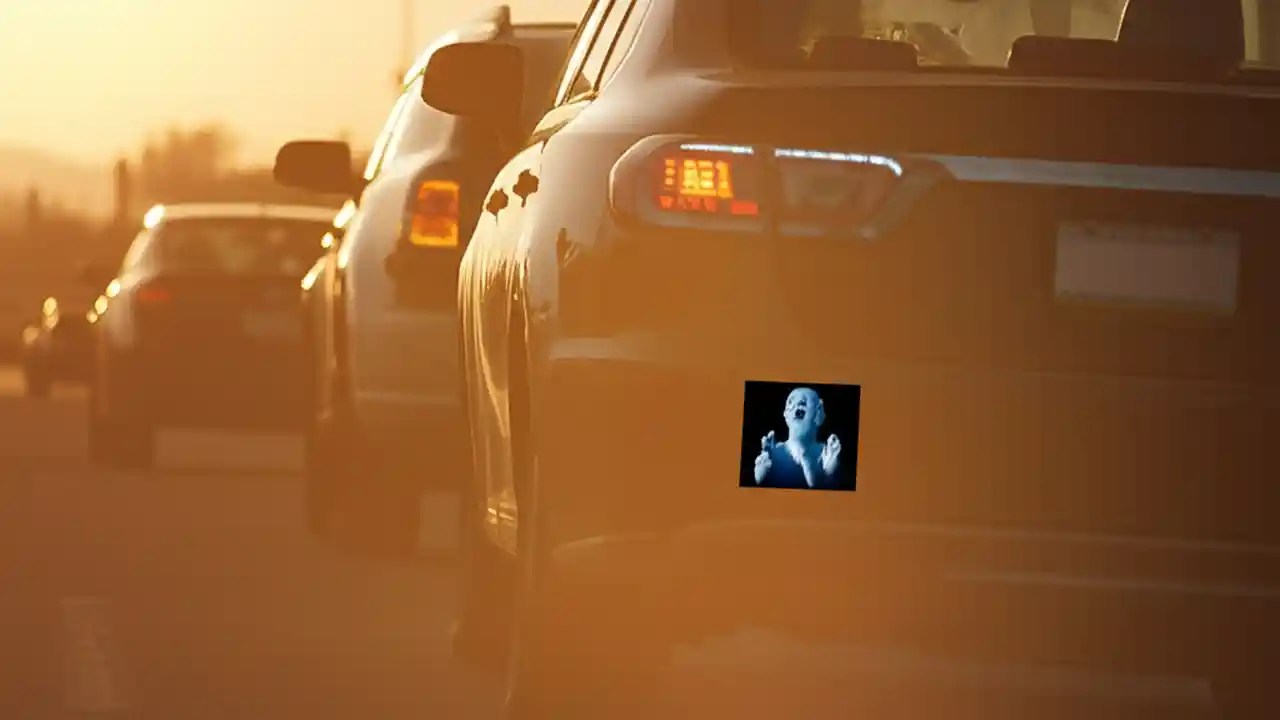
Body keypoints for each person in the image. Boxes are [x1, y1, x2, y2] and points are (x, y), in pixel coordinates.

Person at [753, 387, 844, 489]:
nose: (796, 408)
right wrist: (762, 475)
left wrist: (829, 475)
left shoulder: (827, 455)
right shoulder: (776, 454)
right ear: (786, 415)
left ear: (818, 414)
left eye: (802, 404)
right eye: (791, 404)